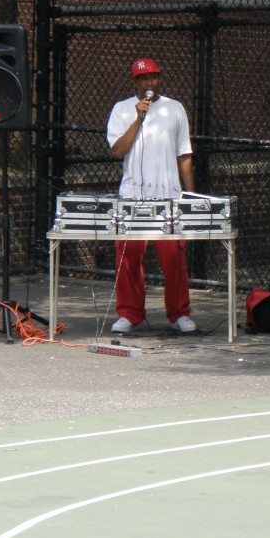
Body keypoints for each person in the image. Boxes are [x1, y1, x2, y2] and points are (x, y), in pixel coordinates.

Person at [106, 58, 197, 334]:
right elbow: (118, 150)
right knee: (128, 257)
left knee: (174, 258)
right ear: (134, 81)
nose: (150, 83)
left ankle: (179, 313)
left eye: (154, 78)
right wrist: (138, 118)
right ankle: (130, 314)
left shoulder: (175, 108)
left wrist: (190, 196)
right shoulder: (122, 110)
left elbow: (184, 155)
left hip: (168, 194)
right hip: (132, 196)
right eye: (144, 79)